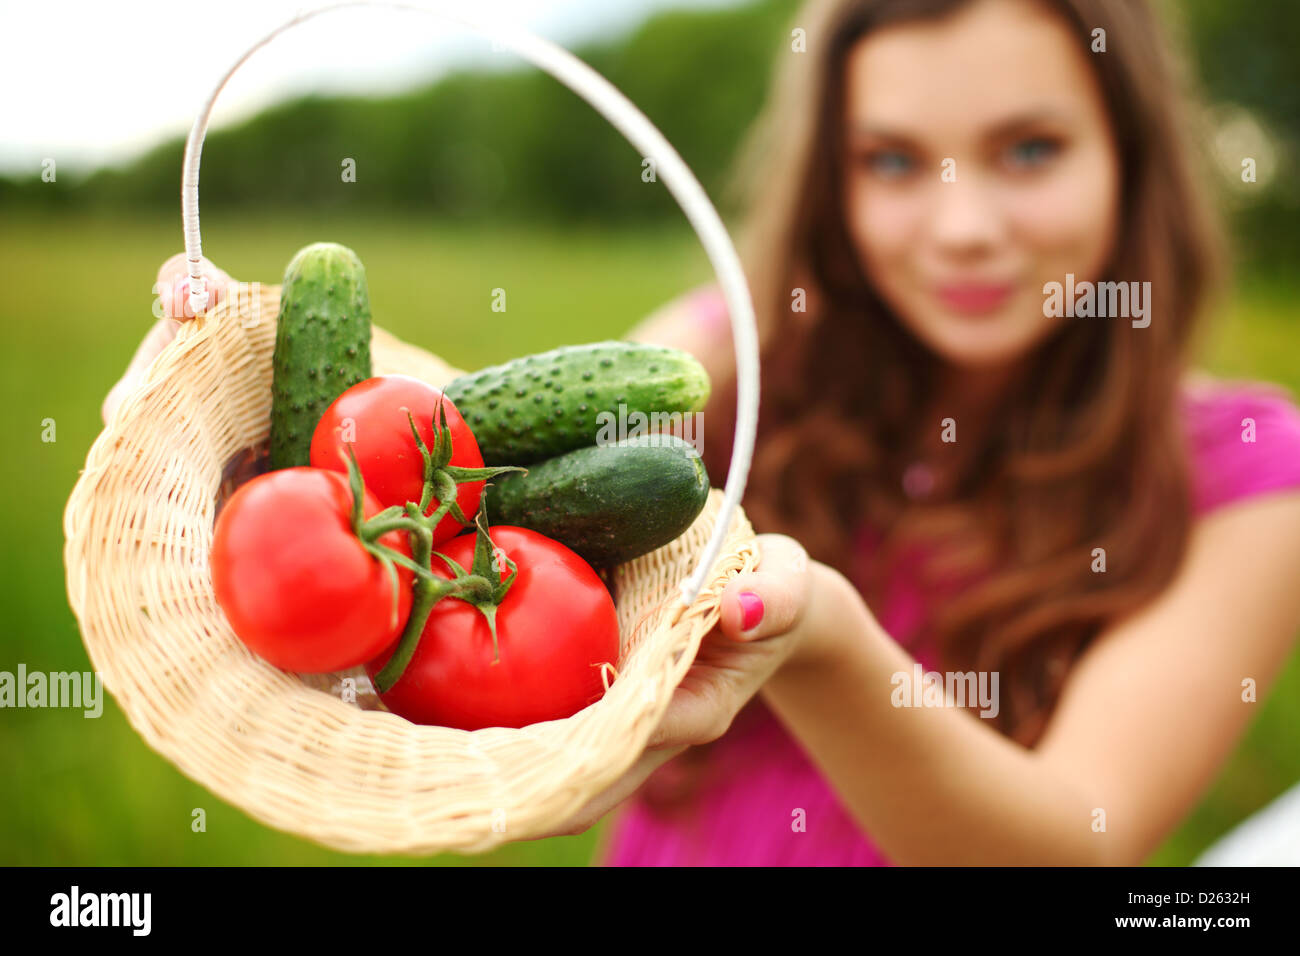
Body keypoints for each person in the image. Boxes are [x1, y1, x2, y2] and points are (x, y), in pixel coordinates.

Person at [104, 0, 1300, 866]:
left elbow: (1072, 847)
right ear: (831, 181)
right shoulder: (725, 352)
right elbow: (471, 483)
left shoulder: (1250, 477)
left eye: (1028, 149)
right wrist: (252, 460)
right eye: (890, 160)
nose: (963, 225)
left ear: (1134, 160)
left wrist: (824, 636)